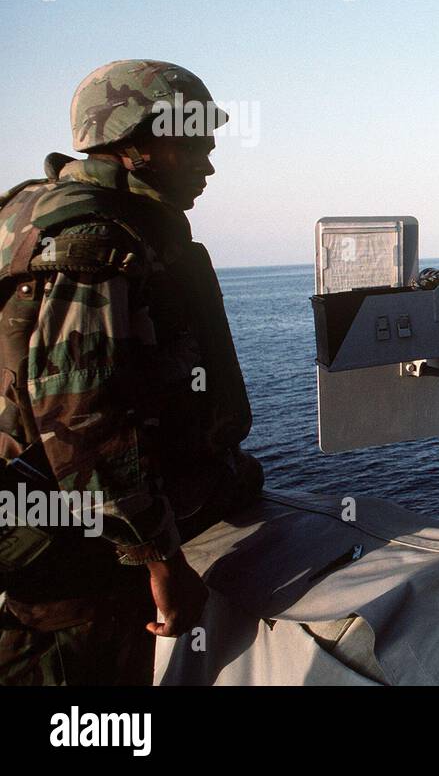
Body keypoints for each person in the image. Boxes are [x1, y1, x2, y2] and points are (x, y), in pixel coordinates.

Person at [0, 60, 264, 685]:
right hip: (69, 551)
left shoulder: (32, 212)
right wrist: (156, 555)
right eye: (193, 143)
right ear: (138, 147)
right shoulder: (95, 240)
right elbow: (80, 420)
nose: (209, 163)